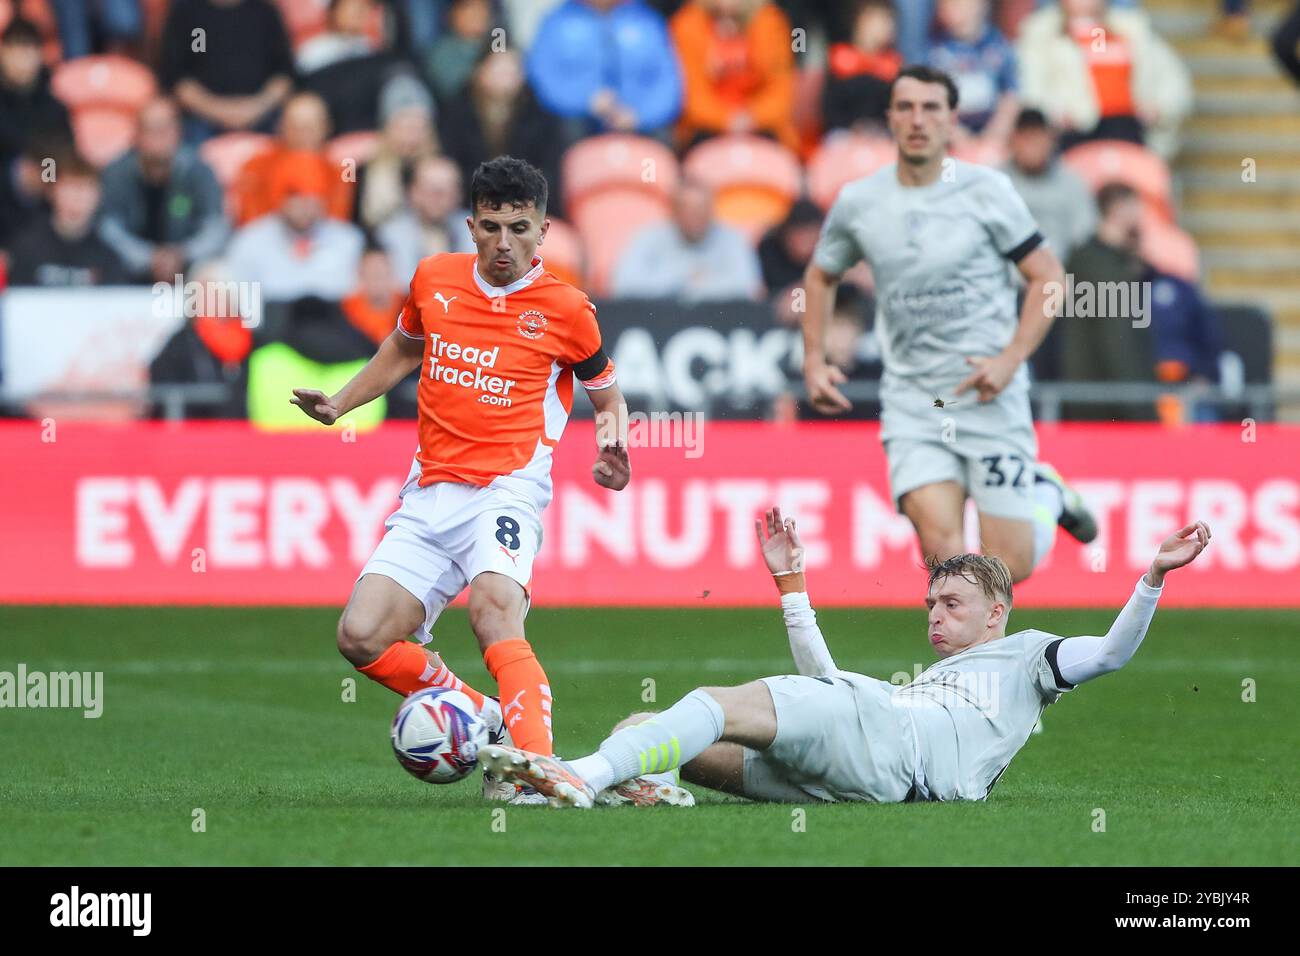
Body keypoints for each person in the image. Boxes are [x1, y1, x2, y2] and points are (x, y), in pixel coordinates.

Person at [289, 157, 631, 804]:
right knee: (360, 636)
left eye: (521, 229)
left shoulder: (566, 309)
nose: (506, 244)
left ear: (544, 230)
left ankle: (534, 773)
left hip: (507, 489)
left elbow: (608, 396)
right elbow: (402, 349)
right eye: (493, 227)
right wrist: (339, 403)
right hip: (430, 490)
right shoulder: (434, 280)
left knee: (494, 611)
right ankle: (487, 715)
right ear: (471, 225)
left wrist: (613, 444)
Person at [480, 507, 1214, 808]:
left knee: (711, 701)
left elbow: (1112, 654)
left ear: (997, 612)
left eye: (952, 604)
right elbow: (825, 688)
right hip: (877, 777)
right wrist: (791, 586)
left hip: (890, 743)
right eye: (931, 603)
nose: (935, 615)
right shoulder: (935, 684)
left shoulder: (1029, 657)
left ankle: (574, 779)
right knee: (645, 722)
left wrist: (1151, 577)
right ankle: (639, 783)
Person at [801, 65, 1096, 585]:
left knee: (1006, 570)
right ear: (890, 117)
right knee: (945, 558)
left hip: (988, 394)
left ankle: (1046, 494)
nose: (918, 119)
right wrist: (814, 360)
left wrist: (1011, 359)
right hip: (915, 400)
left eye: (931, 107)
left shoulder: (987, 191)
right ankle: (962, 670)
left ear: (952, 119)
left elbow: (1048, 276)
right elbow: (821, 275)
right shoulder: (860, 202)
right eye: (906, 107)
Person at [1016, 0, 1193, 159]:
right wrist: (1053, 113)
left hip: (1129, 128)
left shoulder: (1132, 29)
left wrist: (1159, 108)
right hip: (1074, 134)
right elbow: (1030, 87)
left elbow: (1173, 81)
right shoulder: (1041, 33)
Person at [97, 96, 230, 284]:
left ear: (178, 132)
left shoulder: (199, 171)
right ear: (136, 135)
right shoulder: (117, 173)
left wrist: (181, 255)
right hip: (128, 268)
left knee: (217, 272)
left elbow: (216, 228)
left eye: (165, 128)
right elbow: (107, 229)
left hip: (187, 267)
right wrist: (149, 258)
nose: (159, 135)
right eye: (150, 129)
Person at [1059, 181, 1155, 421]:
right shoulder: (1102, 267)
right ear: (1118, 210)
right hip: (1106, 406)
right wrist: (1143, 411)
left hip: (1092, 400)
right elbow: (1116, 342)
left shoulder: (1098, 260)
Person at [526, 0, 681, 144]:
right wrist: (584, 101)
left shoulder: (648, 21)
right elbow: (544, 78)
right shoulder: (556, 22)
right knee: (564, 130)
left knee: (663, 138)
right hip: (579, 125)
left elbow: (668, 83)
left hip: (639, 125)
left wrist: (639, 115)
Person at [225, 153, 365, 303]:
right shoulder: (249, 241)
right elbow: (239, 302)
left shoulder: (349, 240)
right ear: (279, 198)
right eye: (295, 196)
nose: (305, 205)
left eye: (314, 196)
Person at [158, 0, 295, 146]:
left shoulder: (265, 12)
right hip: (201, 121)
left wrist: (255, 108)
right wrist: (219, 111)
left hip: (262, 118)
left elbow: (284, 75)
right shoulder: (187, 12)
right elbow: (177, 79)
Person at [670, 0, 799, 152]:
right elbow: (691, 95)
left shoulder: (770, 21)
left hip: (763, 127)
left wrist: (752, 118)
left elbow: (781, 92)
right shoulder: (688, 23)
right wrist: (726, 121)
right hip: (704, 129)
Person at [610, 178, 762, 302]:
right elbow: (624, 285)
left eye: (701, 209)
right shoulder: (649, 237)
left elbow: (747, 285)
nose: (696, 217)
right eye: (688, 210)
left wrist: (700, 287)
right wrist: (682, 278)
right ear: (674, 211)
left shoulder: (732, 238)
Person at [6, 152, 128, 287]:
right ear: (52, 191)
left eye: (85, 188)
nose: (77, 197)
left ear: (99, 196)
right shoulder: (26, 247)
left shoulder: (109, 256)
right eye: (70, 187)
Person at [1001, 107, 1095, 265]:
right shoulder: (997, 182)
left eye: (1038, 137)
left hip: (1064, 273)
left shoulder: (1070, 181)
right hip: (1011, 276)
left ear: (1051, 140)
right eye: (1026, 137)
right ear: (1013, 140)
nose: (1032, 145)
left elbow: (1084, 236)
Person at [925, 0, 1019, 147]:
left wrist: (992, 137)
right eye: (944, 4)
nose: (949, 10)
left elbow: (1010, 97)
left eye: (957, 4)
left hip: (992, 140)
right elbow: (929, 102)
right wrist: (954, 134)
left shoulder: (999, 46)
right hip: (951, 142)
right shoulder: (934, 51)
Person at [376, 154, 476, 281]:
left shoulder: (475, 229)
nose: (437, 197)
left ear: (459, 194)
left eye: (446, 190)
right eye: (429, 188)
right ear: (412, 192)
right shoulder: (389, 234)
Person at [820, 0, 901, 136]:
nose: (889, 27)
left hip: (881, 136)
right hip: (842, 134)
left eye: (891, 20)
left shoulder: (893, 65)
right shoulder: (840, 58)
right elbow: (829, 110)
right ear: (863, 20)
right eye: (882, 19)